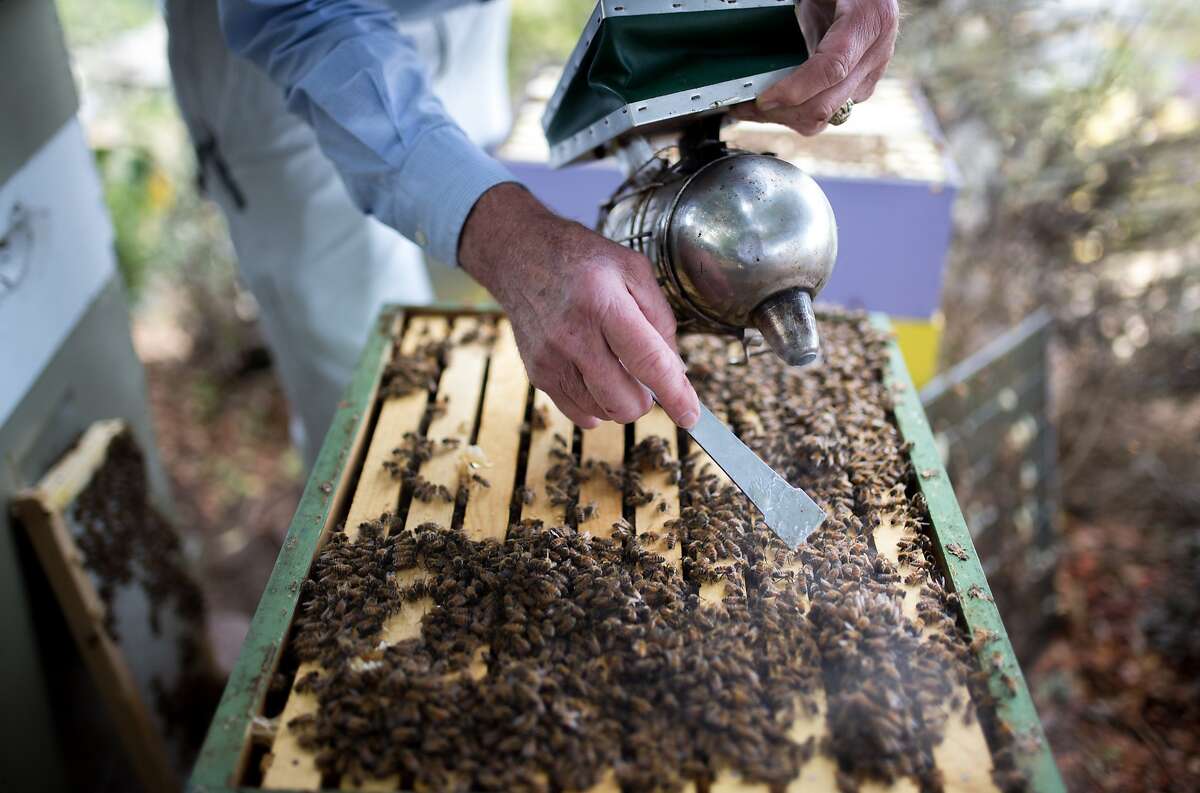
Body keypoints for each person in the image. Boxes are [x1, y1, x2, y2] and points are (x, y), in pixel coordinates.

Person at [168, 0, 898, 465]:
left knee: (483, 313)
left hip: (462, 19)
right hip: (297, 47)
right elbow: (297, 14)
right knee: (361, 402)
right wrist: (509, 242)